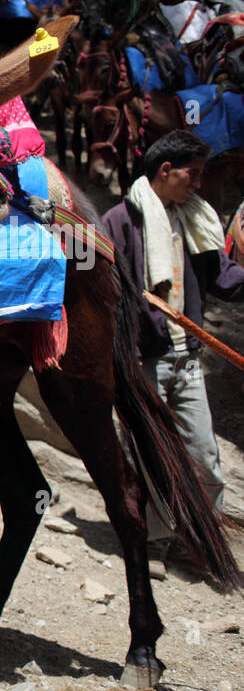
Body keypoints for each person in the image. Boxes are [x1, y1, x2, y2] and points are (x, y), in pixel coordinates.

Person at [102, 131, 244, 564]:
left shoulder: (195, 219)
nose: (199, 184)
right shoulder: (121, 221)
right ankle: (155, 542)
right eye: (193, 174)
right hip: (146, 361)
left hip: (188, 360)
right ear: (166, 171)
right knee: (153, 454)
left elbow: (220, 279)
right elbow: (110, 293)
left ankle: (203, 539)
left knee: (204, 454)